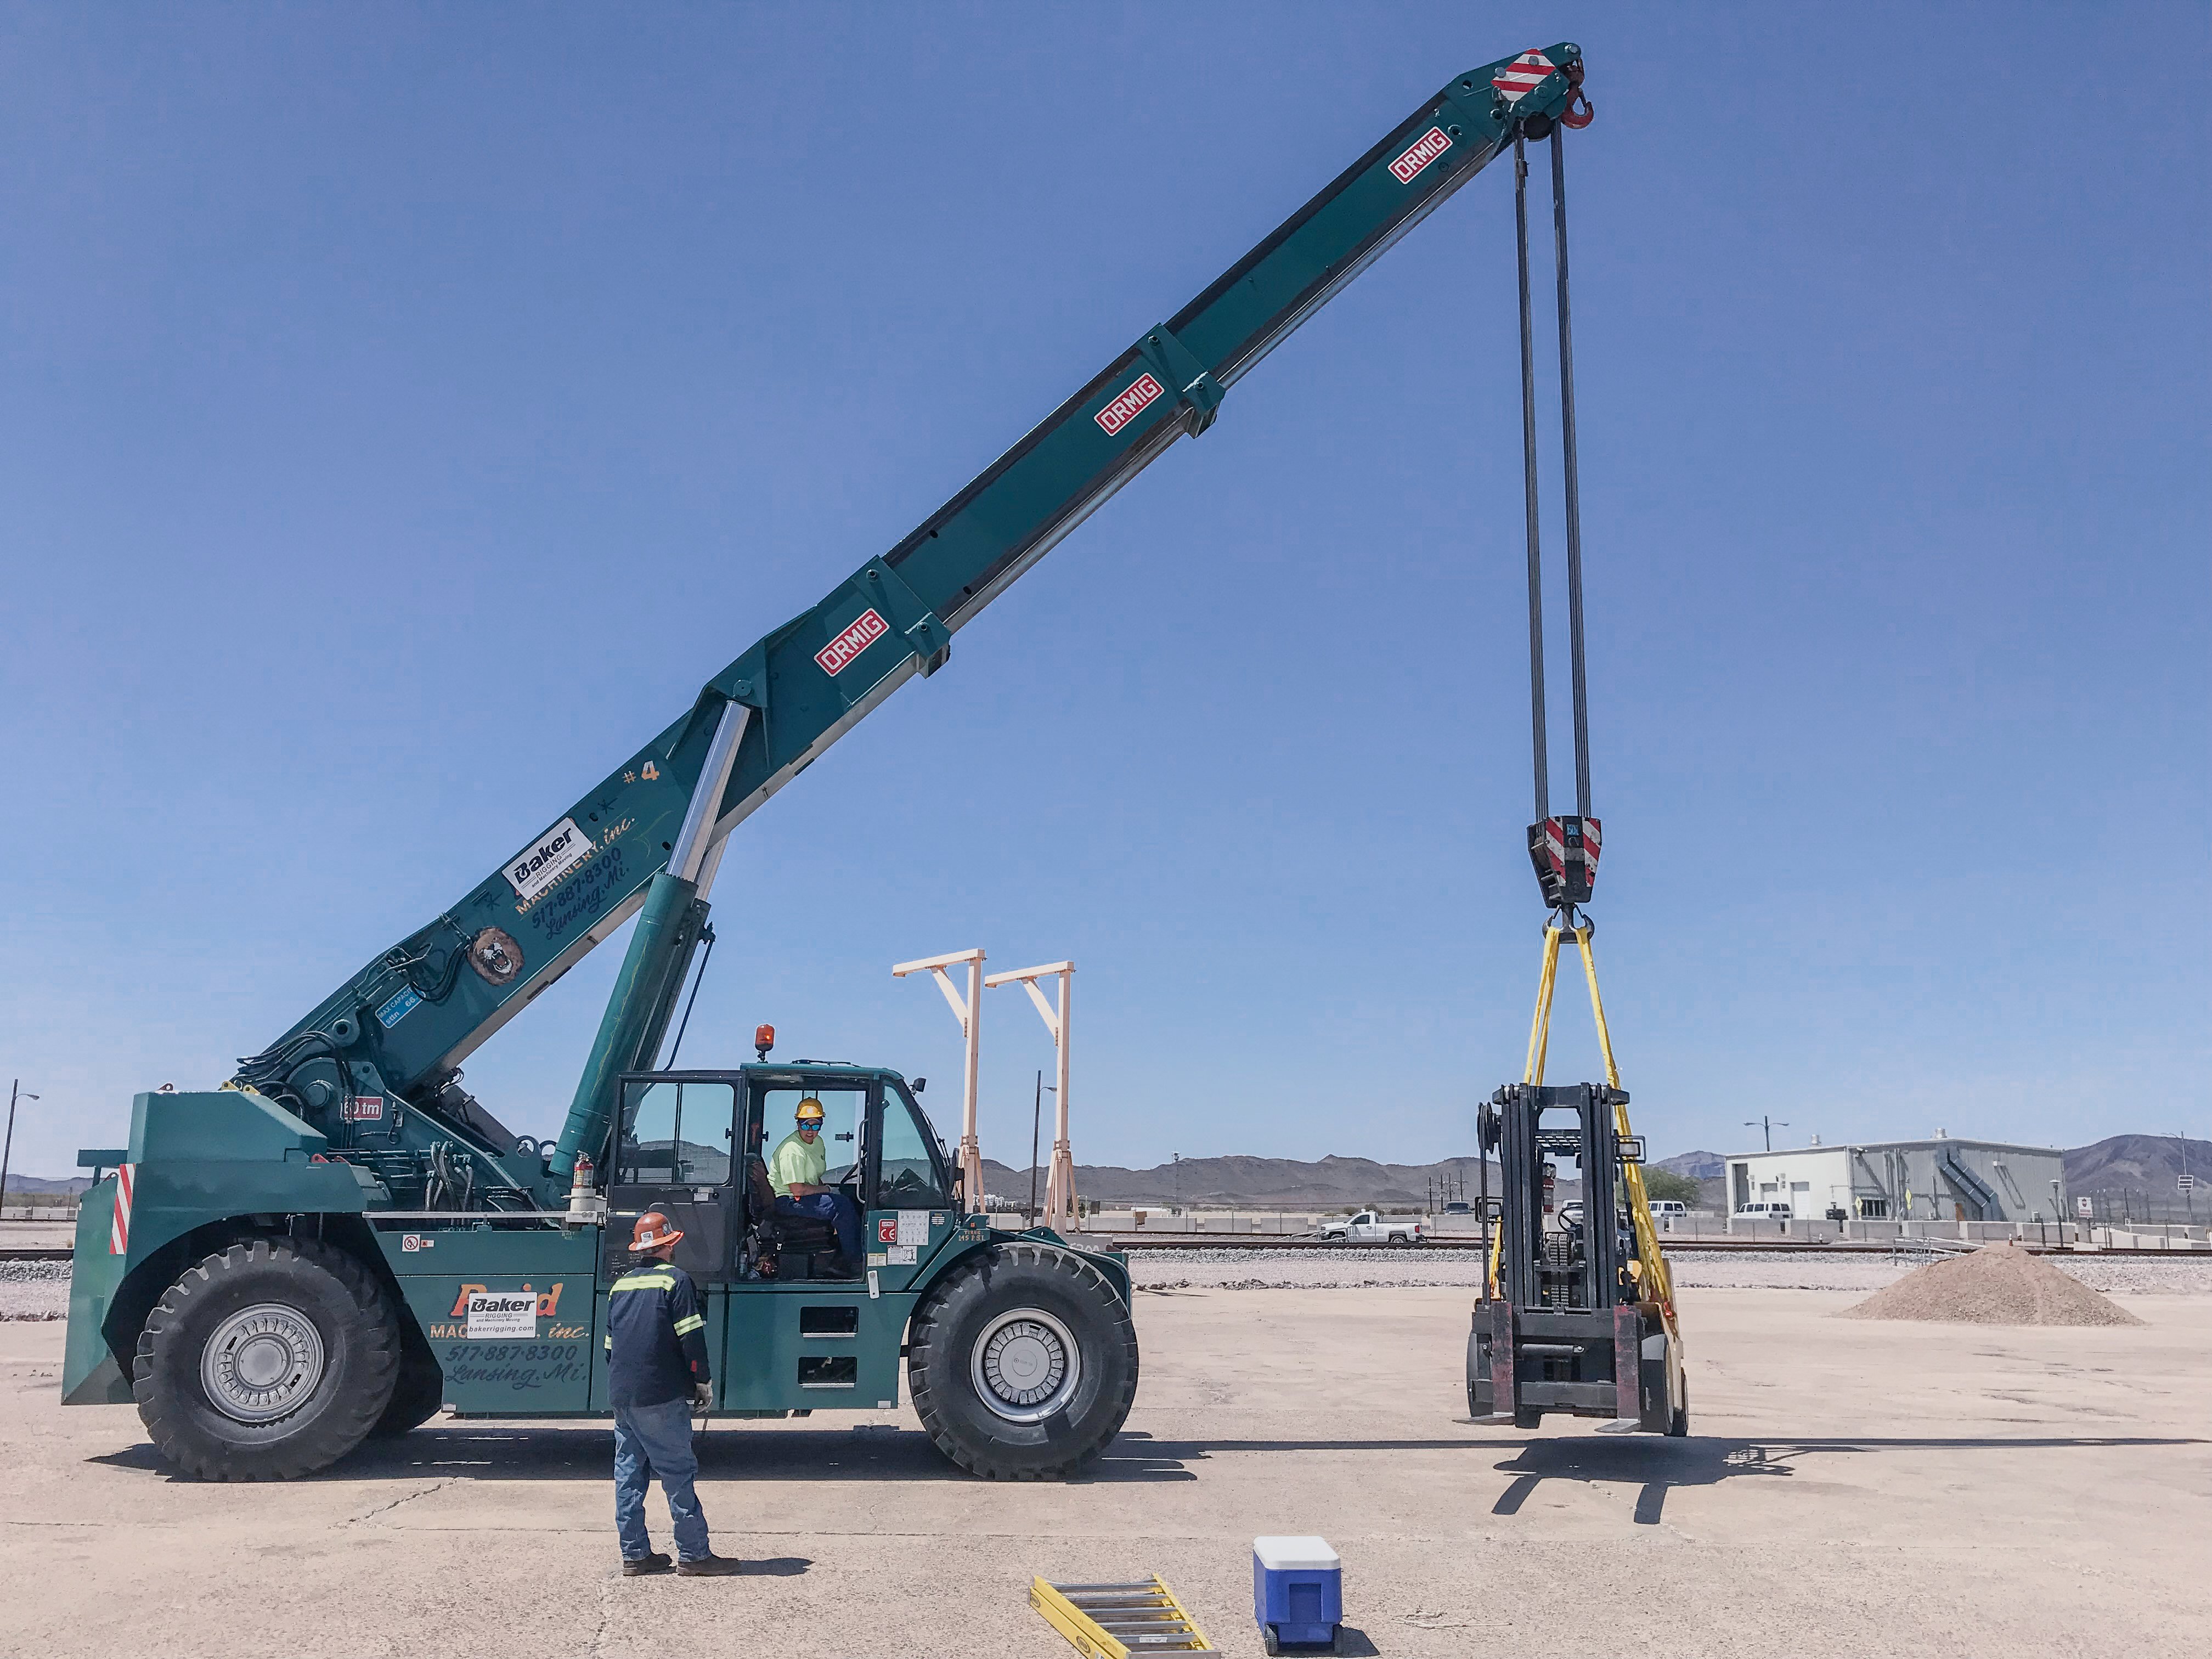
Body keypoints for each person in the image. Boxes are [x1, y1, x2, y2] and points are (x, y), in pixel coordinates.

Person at [603, 1210, 738, 1577]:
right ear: (670, 1244)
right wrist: (702, 1381)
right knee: (678, 1473)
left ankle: (635, 1555)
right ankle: (694, 1555)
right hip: (659, 1395)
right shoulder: (676, 1281)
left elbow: (610, 1347)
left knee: (629, 1474)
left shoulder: (621, 1286)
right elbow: (691, 1338)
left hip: (622, 1395)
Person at [768, 1096, 863, 1272]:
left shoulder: (817, 1143)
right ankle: (853, 1263)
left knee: (856, 1197)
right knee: (841, 1207)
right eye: (805, 1125)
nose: (810, 1131)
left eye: (815, 1125)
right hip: (789, 1200)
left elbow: (815, 1177)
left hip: (804, 1195)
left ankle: (845, 1252)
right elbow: (798, 1189)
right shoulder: (792, 1151)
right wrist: (827, 1190)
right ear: (798, 1124)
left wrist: (829, 1191)